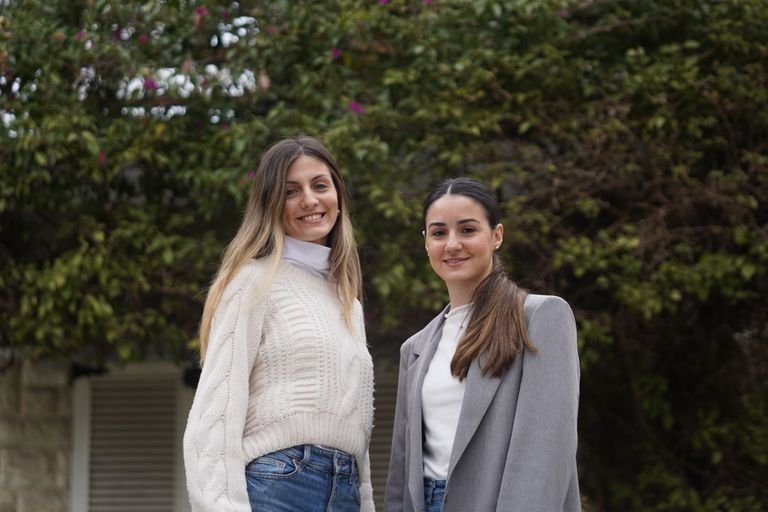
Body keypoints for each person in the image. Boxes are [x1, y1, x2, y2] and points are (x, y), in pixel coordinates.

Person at [184, 135, 375, 512]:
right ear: (271, 204)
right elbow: (215, 411)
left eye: (320, 185)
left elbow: (357, 430)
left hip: (346, 490)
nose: (310, 200)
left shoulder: (348, 302)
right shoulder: (252, 282)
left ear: (338, 195)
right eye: (291, 191)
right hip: (279, 482)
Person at [384, 177, 580, 512]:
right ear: (426, 243)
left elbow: (544, 456)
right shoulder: (414, 349)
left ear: (496, 236)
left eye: (468, 230)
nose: (452, 244)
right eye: (439, 233)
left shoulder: (541, 317)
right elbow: (402, 477)